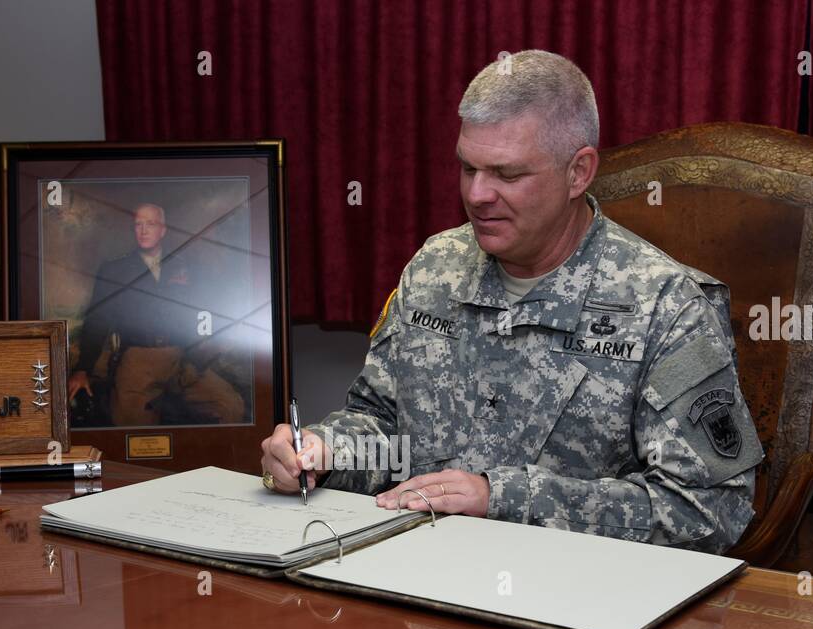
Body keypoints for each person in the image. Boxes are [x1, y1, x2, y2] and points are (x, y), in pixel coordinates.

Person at [260, 50, 763, 553]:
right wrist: (324, 452)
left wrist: (503, 498)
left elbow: (709, 508)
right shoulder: (435, 268)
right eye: (468, 168)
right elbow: (386, 431)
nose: (477, 194)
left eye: (507, 174)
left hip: (578, 603)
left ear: (578, 173)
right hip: (419, 575)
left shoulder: (665, 307)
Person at [69, 202, 247, 426]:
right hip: (140, 359)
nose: (143, 230)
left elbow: (203, 312)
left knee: (230, 405)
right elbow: (97, 321)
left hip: (183, 359)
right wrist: (83, 368)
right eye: (138, 225)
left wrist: (207, 346)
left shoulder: (185, 267)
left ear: (162, 230)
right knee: (133, 425)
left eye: (150, 224)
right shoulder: (115, 270)